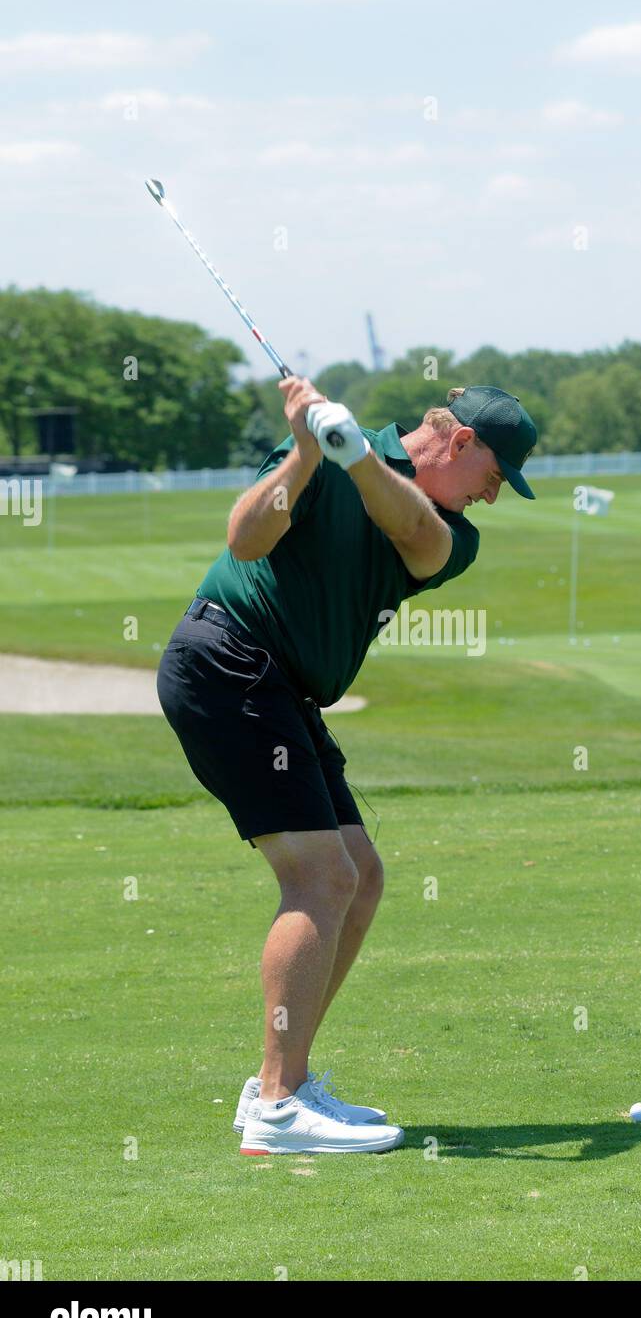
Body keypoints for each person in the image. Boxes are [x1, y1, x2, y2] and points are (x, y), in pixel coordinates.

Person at [156, 378, 537, 1154]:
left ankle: (284, 1081)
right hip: (228, 664)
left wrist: (355, 454)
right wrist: (304, 451)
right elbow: (244, 540)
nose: (492, 499)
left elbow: (419, 538)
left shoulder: (446, 528)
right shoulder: (317, 456)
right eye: (495, 479)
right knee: (321, 876)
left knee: (358, 872)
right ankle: (275, 1105)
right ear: (460, 443)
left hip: (287, 691)